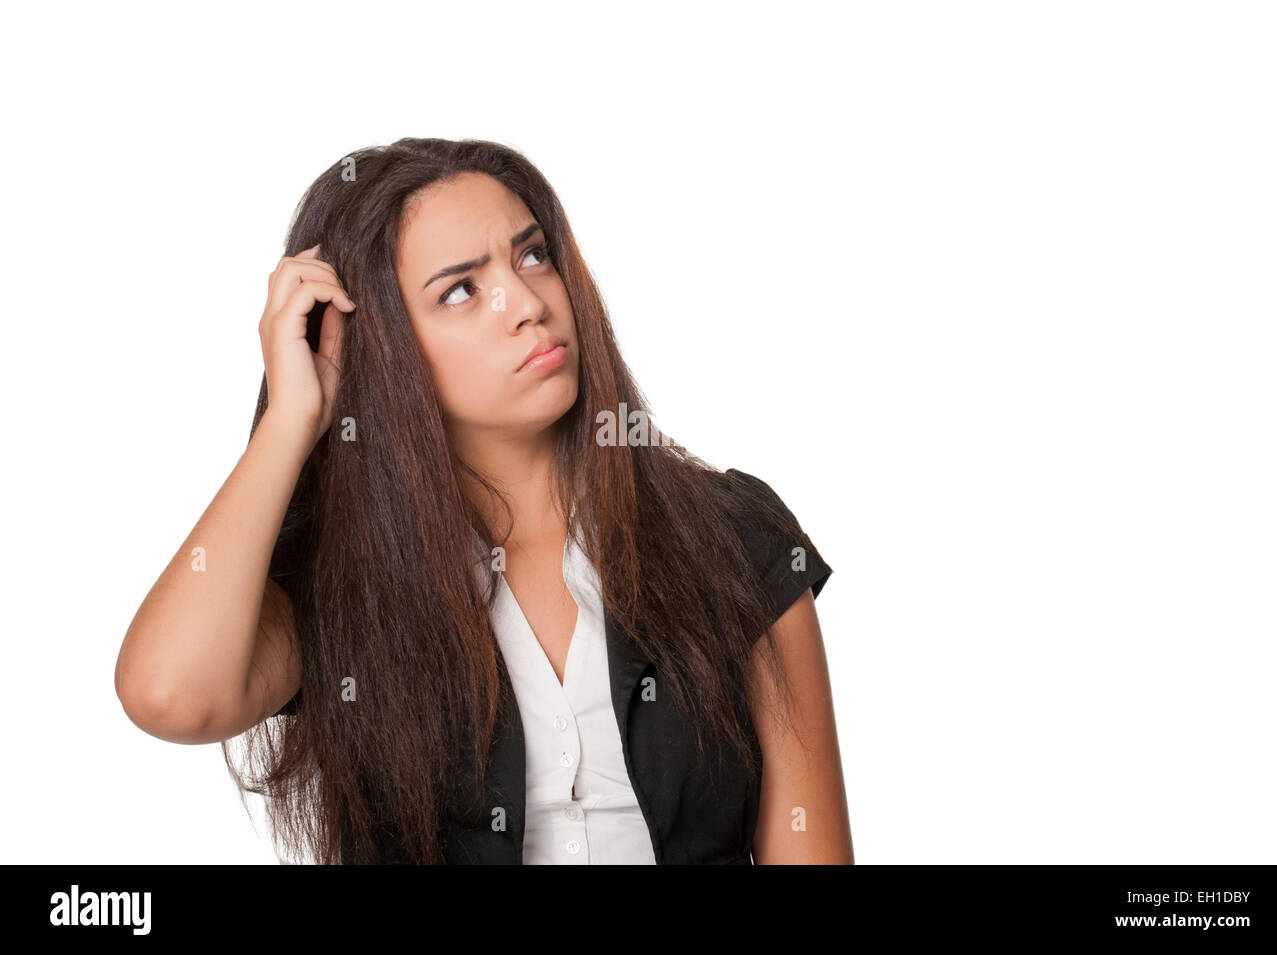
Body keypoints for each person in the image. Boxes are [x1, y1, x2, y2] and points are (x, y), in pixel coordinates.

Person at [115, 138, 851, 864]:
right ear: (380, 346)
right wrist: (290, 420)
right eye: (461, 290)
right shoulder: (342, 589)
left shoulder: (732, 537)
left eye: (532, 256)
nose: (528, 303)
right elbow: (167, 691)